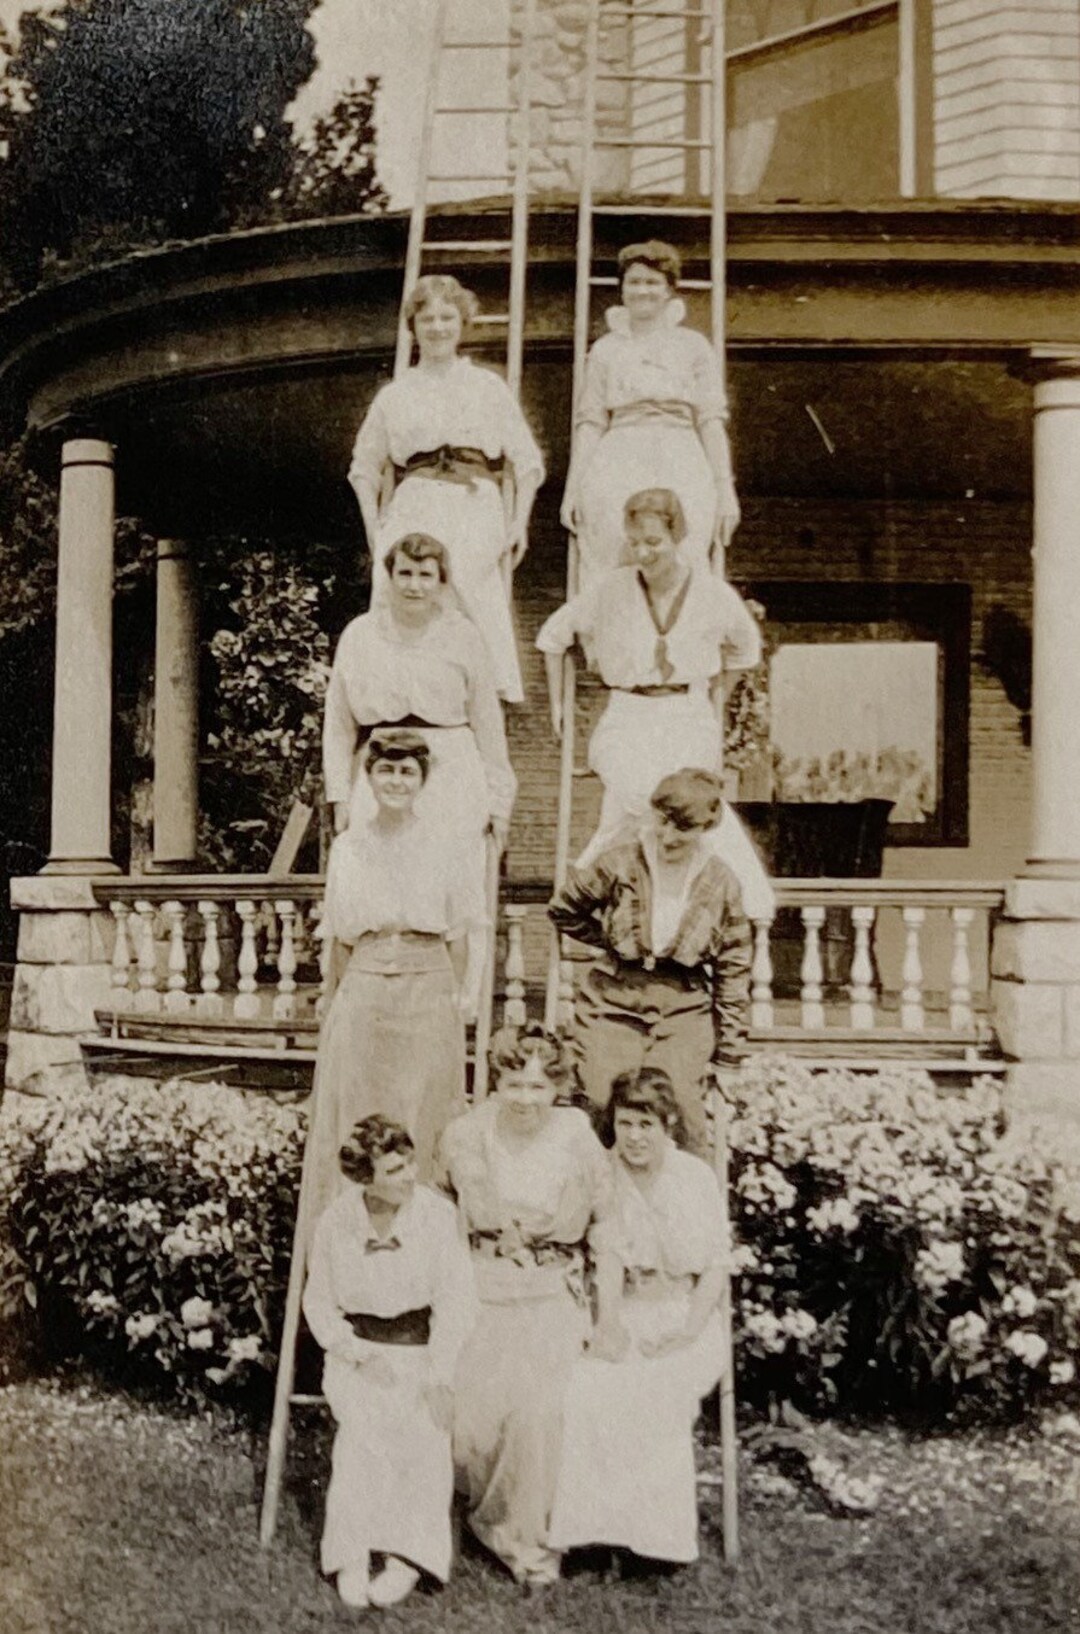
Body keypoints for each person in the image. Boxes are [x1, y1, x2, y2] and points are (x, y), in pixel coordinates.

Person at [438, 1024, 621, 1587]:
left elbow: (606, 1228)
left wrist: (608, 1316)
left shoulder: (577, 1134)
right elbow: (443, 1224)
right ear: (496, 1082)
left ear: (557, 1088)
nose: (524, 1098)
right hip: (481, 1289)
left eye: (538, 1087)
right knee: (474, 1414)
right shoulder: (465, 1134)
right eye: (514, 1084)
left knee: (539, 1409)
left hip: (551, 1294)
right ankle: (485, 1518)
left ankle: (529, 1543)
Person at [537, 486, 774, 917]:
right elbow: (552, 638)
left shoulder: (710, 592)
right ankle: (609, 893)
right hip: (628, 713)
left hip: (688, 712)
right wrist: (557, 706)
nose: (644, 554)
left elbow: (746, 649)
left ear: (677, 535)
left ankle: (721, 909)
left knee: (688, 810)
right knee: (642, 799)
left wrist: (718, 698)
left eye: (654, 542)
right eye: (635, 543)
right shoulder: (609, 588)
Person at [304, 729, 486, 1226]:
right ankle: (353, 1242)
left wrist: (454, 1002)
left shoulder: (450, 844)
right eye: (386, 769)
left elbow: (459, 937)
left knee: (423, 1111)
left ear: (422, 780)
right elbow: (340, 938)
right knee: (355, 1114)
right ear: (370, 776)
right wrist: (334, 1005)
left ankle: (421, 1246)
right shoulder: (348, 848)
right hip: (364, 982)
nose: (396, 781)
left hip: (426, 984)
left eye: (407, 771)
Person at [549, 1068, 726, 1570]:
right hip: (621, 1308)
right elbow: (602, 1256)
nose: (635, 1137)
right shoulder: (603, 1174)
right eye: (626, 1124)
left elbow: (715, 1266)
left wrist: (689, 1329)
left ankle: (656, 1545)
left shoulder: (695, 1177)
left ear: (668, 1123)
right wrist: (608, 1325)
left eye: (647, 1124)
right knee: (591, 1388)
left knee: (658, 1390)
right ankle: (595, 1538)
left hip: (684, 1315)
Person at [303, 1115, 477, 1610]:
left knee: (424, 1436)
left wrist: (440, 1373)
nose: (408, 1176)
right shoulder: (337, 1221)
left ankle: (406, 1555)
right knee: (361, 1440)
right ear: (364, 1178)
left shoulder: (437, 1217)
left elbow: (456, 1301)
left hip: (423, 1352)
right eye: (394, 1170)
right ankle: (352, 1554)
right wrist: (356, 1353)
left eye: (409, 1164)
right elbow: (319, 1304)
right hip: (359, 1354)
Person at [349, 273, 545, 702]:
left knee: (462, 580)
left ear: (462, 324)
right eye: (427, 319)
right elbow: (363, 469)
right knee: (402, 585)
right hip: (415, 501)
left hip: (474, 503)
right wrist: (374, 529)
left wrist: (519, 523)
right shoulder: (395, 395)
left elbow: (527, 461)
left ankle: (476, 689)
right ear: (414, 327)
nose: (437, 328)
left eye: (446, 317)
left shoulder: (487, 387)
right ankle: (400, 691)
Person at [547, 768, 751, 1157]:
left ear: (705, 829)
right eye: (663, 821)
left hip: (683, 1006)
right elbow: (564, 909)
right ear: (653, 813)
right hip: (613, 1001)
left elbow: (734, 968)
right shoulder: (620, 862)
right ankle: (598, 1210)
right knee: (603, 1101)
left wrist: (729, 1056)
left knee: (678, 1111)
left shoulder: (721, 882)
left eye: (683, 830)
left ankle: (686, 1213)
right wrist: (612, 940)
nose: (669, 837)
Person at [322, 531, 516, 864]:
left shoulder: (464, 636)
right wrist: (339, 795)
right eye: (405, 574)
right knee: (378, 877)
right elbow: (339, 722)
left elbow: (487, 722)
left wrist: (499, 803)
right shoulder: (360, 635)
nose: (414, 586)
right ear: (390, 577)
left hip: (452, 767)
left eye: (425, 575)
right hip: (380, 767)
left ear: (441, 582)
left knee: (446, 878)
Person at [560, 240, 739, 590]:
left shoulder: (693, 346)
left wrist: (725, 490)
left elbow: (711, 420)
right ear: (622, 290)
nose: (643, 291)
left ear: (669, 290)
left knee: (685, 548)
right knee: (612, 547)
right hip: (618, 453)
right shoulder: (606, 349)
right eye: (634, 282)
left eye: (653, 282)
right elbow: (591, 422)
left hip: (681, 450)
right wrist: (573, 488)